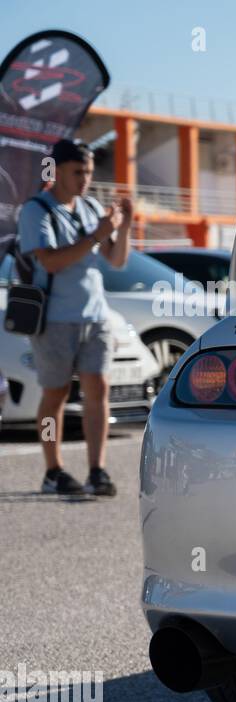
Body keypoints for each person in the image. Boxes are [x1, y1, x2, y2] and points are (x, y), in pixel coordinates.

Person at [17, 138, 133, 496]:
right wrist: (98, 233)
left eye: (89, 172)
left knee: (99, 389)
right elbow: (50, 260)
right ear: (57, 171)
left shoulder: (91, 207)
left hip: (95, 316)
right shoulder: (36, 210)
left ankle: (97, 470)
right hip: (55, 318)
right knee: (56, 393)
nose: (85, 179)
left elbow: (115, 260)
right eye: (77, 171)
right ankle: (53, 470)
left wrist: (124, 226)